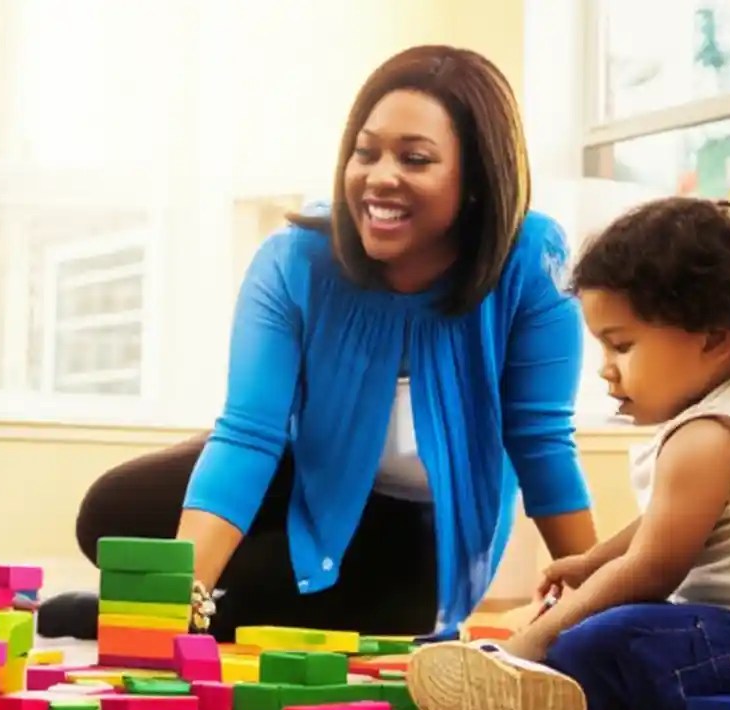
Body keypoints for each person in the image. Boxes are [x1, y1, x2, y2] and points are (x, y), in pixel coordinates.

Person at [38, 44, 599, 643]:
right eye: (366, 151)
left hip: (416, 528)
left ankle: (166, 609)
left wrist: (599, 604)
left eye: (415, 159)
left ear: (476, 181)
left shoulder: (532, 263)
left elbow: (540, 444)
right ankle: (181, 606)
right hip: (307, 470)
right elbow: (249, 436)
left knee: (329, 602)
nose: (380, 177)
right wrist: (180, 590)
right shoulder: (295, 260)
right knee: (112, 513)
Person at [406, 197, 730, 710]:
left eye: (622, 347)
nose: (606, 370)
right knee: (610, 630)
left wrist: (534, 640)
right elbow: (663, 525)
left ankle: (536, 683)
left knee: (610, 638)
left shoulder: (709, 436)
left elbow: (653, 568)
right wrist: (592, 564)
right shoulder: (728, 413)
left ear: (714, 340)